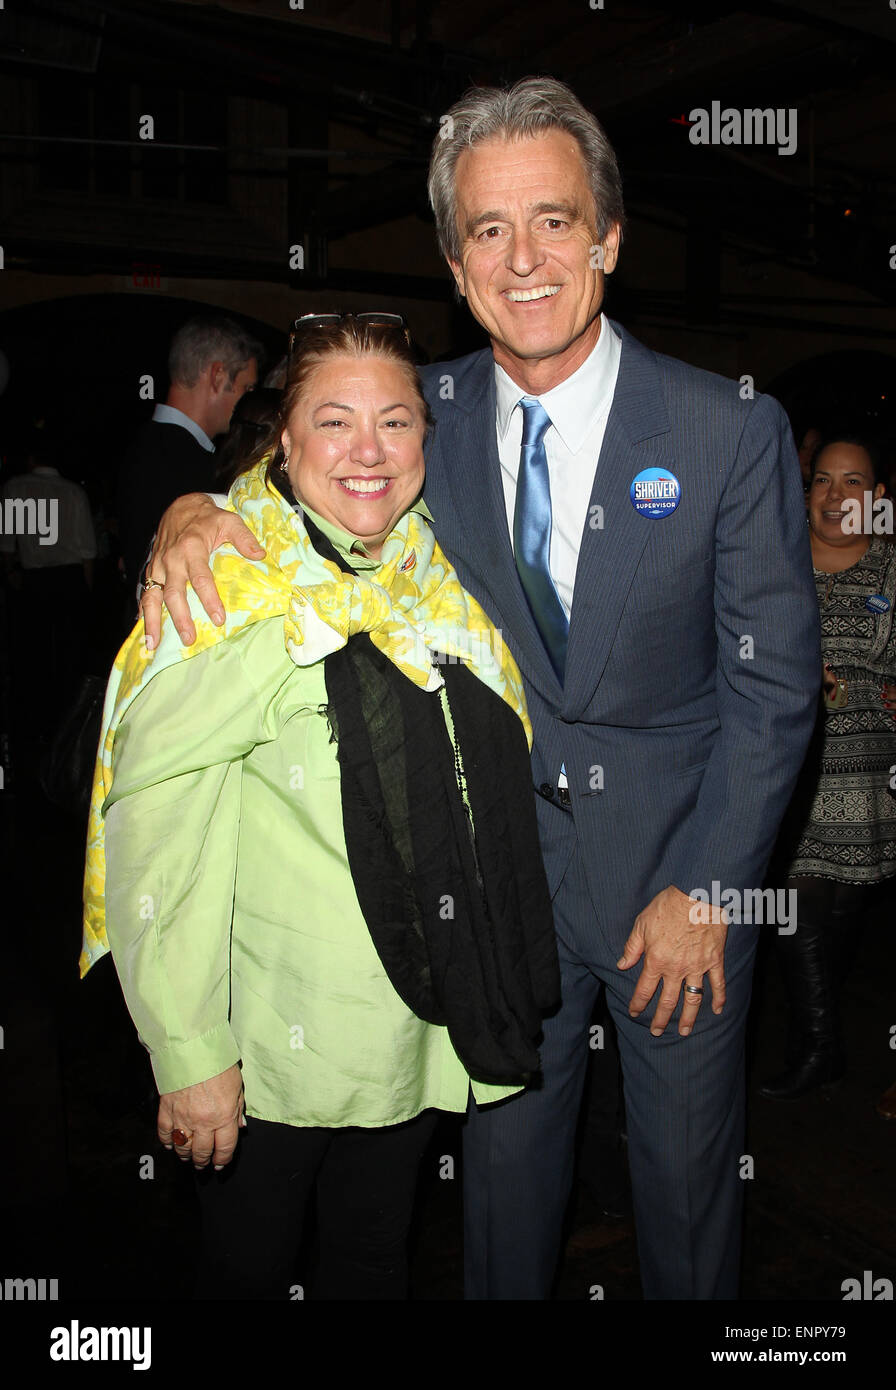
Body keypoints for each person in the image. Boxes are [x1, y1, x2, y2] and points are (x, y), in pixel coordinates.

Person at [140, 77, 820, 1300]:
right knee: (501, 1208)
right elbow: (300, 476)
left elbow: (773, 695)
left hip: (677, 886)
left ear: (608, 239)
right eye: (488, 233)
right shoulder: (424, 420)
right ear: (453, 265)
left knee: (680, 1200)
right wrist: (191, 510)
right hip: (490, 894)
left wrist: (713, 886)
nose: (523, 261)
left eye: (554, 221)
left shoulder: (727, 431)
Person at [81, 315, 559, 1300]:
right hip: (268, 1051)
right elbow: (156, 834)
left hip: (411, 1023)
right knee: (248, 1273)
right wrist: (189, 1050)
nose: (368, 450)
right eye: (333, 421)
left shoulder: (440, 576)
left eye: (395, 421)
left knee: (372, 1263)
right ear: (283, 442)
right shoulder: (227, 585)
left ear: (426, 440)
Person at [760, 432, 896, 1101]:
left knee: (839, 914)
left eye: (854, 482)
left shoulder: (894, 573)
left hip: (870, 773)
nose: (836, 496)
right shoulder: (775, 565)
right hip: (789, 765)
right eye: (823, 480)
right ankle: (820, 1049)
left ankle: (815, 1031)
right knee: (795, 903)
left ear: (877, 498)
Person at [116, 314, 261, 598]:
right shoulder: (186, 461)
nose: (249, 402)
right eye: (247, 389)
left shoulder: (140, 443)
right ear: (218, 376)